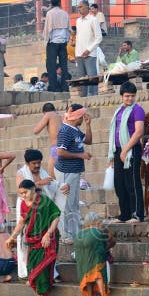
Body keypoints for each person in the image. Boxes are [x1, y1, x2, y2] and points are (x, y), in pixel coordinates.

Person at [15, 148, 68, 279]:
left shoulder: (42, 172)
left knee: (48, 240)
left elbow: (54, 184)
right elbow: (21, 190)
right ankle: (28, 271)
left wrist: (65, 185)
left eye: (39, 162)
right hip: (27, 210)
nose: (37, 165)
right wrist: (39, 183)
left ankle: (50, 271)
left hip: (43, 210)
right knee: (25, 240)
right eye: (34, 163)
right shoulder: (21, 173)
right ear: (27, 163)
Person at [7, 180, 60, 296]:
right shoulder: (23, 205)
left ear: (32, 189)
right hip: (33, 240)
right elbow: (22, 222)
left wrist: (48, 234)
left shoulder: (44, 201)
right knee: (32, 267)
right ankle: (41, 295)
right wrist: (12, 237)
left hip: (47, 238)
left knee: (42, 267)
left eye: (25, 192)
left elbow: (56, 217)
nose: (23, 196)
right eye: (21, 193)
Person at [108, 81, 146, 223]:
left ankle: (137, 214)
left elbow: (139, 131)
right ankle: (124, 214)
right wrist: (114, 154)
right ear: (121, 96)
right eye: (127, 96)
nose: (130, 99)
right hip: (118, 150)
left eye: (132, 96)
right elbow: (115, 130)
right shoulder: (119, 110)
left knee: (132, 182)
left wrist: (125, 150)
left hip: (131, 150)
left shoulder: (137, 110)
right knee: (119, 183)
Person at [54, 103, 92, 244]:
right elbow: (60, 152)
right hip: (66, 171)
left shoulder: (75, 129)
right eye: (82, 117)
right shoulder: (65, 130)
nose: (83, 119)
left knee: (73, 204)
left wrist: (88, 125)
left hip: (74, 171)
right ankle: (65, 236)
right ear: (76, 116)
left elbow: (88, 140)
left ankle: (75, 233)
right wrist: (80, 156)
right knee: (65, 205)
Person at [75, 0, 103, 97]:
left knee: (92, 78)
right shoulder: (78, 21)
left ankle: (94, 98)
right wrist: (76, 53)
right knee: (81, 80)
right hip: (79, 54)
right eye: (78, 7)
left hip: (90, 54)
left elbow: (99, 37)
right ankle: (82, 100)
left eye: (81, 7)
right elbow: (79, 37)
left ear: (87, 7)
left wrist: (89, 50)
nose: (79, 9)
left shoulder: (93, 20)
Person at [43, 0, 70, 92]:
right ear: (59, 2)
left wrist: (46, 41)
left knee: (51, 65)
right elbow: (68, 29)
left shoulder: (50, 13)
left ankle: (53, 87)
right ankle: (65, 87)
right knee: (64, 66)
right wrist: (66, 40)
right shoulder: (65, 13)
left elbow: (47, 29)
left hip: (52, 42)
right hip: (63, 42)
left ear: (51, 3)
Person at [33, 102, 63, 174]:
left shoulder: (48, 114)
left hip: (56, 147)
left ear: (44, 112)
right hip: (65, 147)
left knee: (51, 174)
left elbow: (36, 131)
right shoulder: (59, 116)